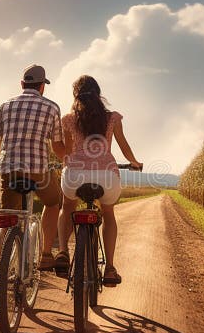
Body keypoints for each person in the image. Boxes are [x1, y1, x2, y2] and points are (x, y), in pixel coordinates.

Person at [55, 75, 142, 285]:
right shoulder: (112, 118)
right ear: (98, 94)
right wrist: (135, 163)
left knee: (67, 208)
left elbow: (66, 152)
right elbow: (124, 146)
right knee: (108, 213)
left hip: (75, 176)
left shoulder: (68, 120)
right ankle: (110, 268)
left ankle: (63, 252)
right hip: (107, 176)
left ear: (76, 95)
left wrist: (72, 161)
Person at [0, 64, 66, 270]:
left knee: (7, 215)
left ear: (22, 84)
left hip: (8, 170)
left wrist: (0, 167)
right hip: (37, 171)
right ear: (42, 86)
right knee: (53, 202)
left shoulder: (5, 105)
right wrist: (67, 160)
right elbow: (57, 145)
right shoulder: (51, 107)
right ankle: (46, 254)